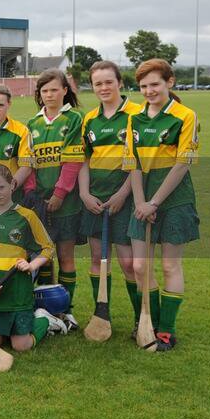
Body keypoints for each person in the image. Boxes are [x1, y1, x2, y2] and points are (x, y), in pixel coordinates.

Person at [125, 59, 200, 351]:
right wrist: (141, 201)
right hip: (142, 199)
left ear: (169, 82)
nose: (149, 90)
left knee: (170, 265)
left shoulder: (185, 115)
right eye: (143, 86)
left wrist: (155, 202)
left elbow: (183, 164)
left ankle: (166, 331)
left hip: (175, 200)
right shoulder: (135, 119)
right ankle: (148, 325)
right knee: (140, 267)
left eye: (154, 84)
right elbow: (132, 163)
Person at [0, 164, 66, 352]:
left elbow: (47, 248)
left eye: (1, 187)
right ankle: (4, 329)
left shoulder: (27, 216)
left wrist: (31, 265)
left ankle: (45, 318)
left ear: (12, 185)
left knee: (21, 345)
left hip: (16, 291)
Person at [78, 61, 143, 330]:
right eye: (98, 83)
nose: (104, 87)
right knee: (97, 259)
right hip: (95, 200)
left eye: (108, 82)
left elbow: (141, 161)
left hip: (126, 199)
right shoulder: (90, 118)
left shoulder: (137, 114)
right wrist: (83, 193)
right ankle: (101, 315)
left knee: (129, 263)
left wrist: (122, 194)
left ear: (120, 83)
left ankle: (142, 318)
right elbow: (83, 160)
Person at [25, 69, 86, 330]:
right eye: (44, 90)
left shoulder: (74, 119)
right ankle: (46, 308)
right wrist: (32, 192)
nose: (49, 95)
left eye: (54, 89)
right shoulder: (32, 124)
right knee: (44, 256)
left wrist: (60, 193)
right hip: (39, 202)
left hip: (67, 202)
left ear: (65, 90)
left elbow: (73, 161)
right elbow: (28, 163)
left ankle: (66, 310)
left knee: (65, 255)